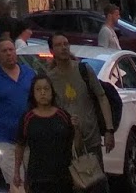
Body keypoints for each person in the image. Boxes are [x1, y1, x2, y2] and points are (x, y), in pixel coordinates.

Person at [46, 33, 113, 171]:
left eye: (66, 44)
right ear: (52, 51)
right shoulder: (49, 78)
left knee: (96, 182)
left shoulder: (84, 69)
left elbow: (102, 97)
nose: (64, 48)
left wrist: (109, 130)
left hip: (91, 139)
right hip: (66, 143)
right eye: (58, 45)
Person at [12, 74, 79, 193]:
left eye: (46, 89)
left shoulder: (63, 116)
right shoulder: (28, 118)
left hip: (63, 177)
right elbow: (20, 145)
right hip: (37, 177)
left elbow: (76, 144)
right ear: (33, 93)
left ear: (52, 92)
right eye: (38, 89)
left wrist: (77, 128)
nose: (42, 92)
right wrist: (17, 171)